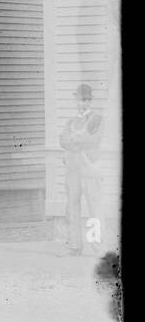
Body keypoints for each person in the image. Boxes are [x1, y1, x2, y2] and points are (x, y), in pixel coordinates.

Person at [60, 83, 104, 256]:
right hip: (72, 169)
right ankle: (74, 246)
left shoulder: (97, 119)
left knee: (94, 207)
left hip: (90, 169)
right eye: (80, 100)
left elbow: (92, 140)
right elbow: (62, 140)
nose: (83, 103)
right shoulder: (70, 121)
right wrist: (77, 141)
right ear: (75, 101)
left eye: (86, 100)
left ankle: (97, 248)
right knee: (72, 206)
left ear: (90, 101)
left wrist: (75, 141)